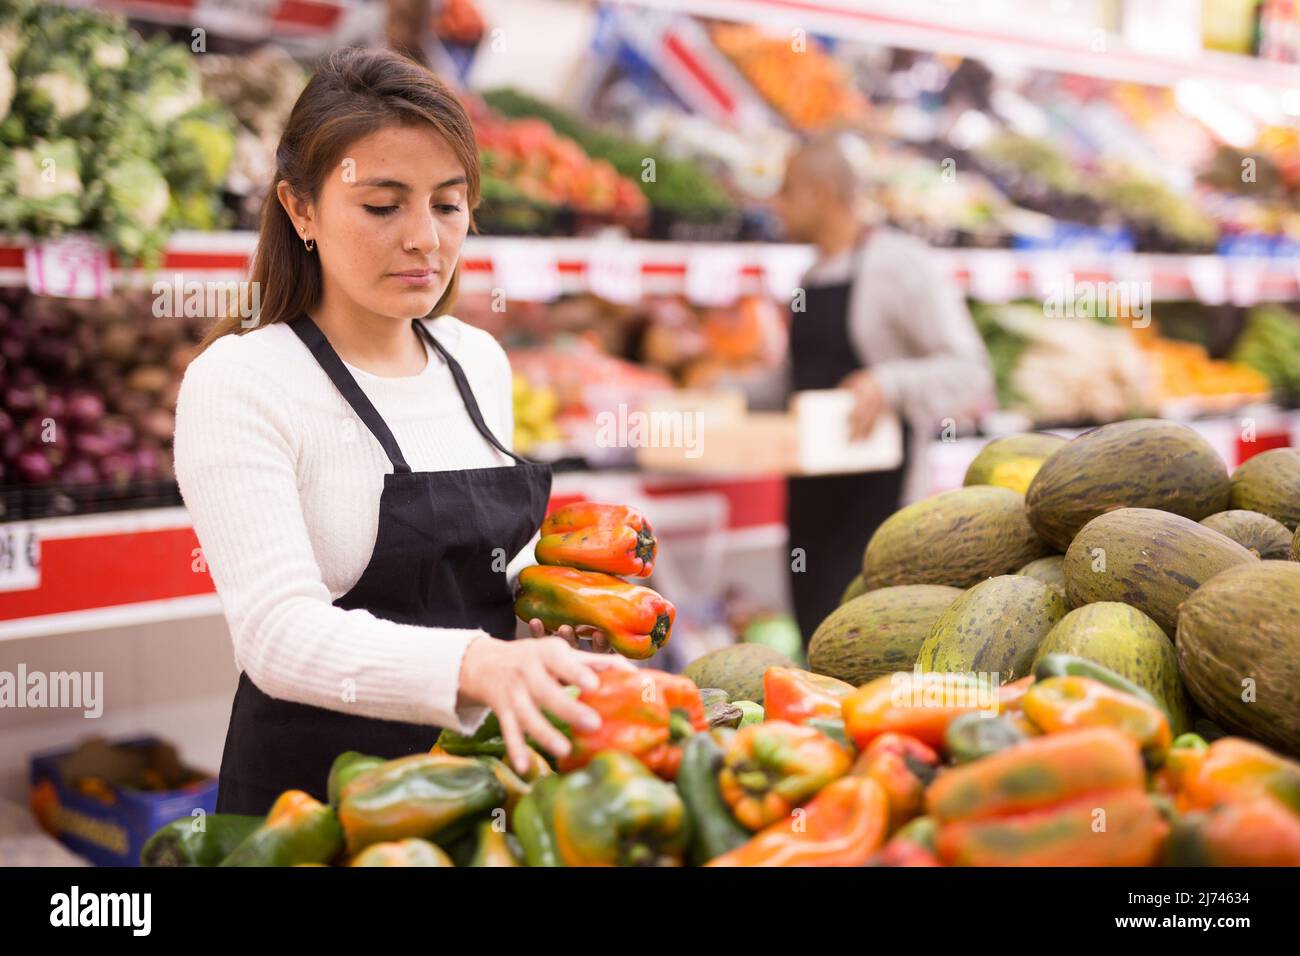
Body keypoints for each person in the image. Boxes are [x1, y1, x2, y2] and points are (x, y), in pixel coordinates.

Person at [173, 48, 631, 816]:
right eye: (384, 206)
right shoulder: (242, 382)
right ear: (300, 208)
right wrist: (476, 664)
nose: (425, 238)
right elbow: (276, 634)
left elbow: (492, 571)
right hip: (313, 813)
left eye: (448, 205)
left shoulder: (476, 361)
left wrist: (559, 608)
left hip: (472, 789)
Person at [743, 133, 995, 643]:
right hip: (810, 495)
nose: (776, 205)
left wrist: (887, 383)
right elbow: (799, 382)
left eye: (785, 191)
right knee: (816, 636)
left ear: (820, 194)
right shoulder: (811, 276)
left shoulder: (899, 265)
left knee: (869, 641)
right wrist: (720, 391)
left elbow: (971, 371)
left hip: (878, 502)